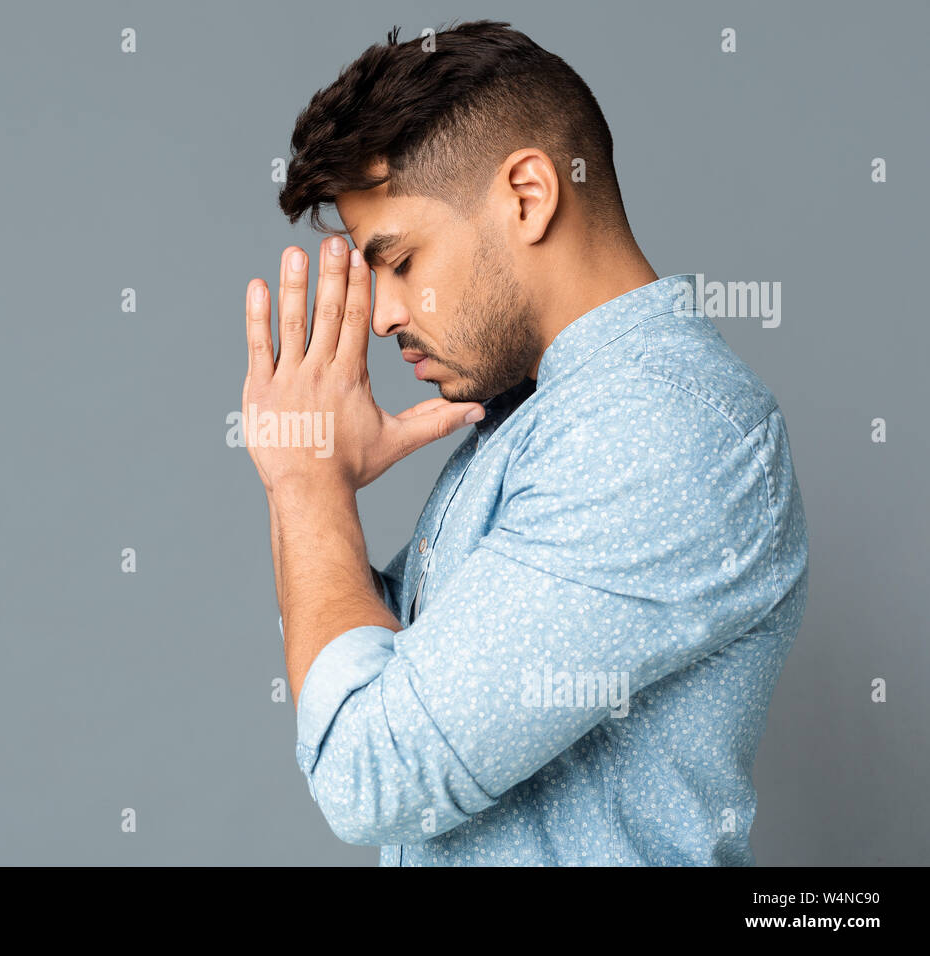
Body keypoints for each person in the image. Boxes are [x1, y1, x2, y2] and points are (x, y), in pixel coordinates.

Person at [240, 19, 808, 865]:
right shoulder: (535, 417)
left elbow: (372, 770)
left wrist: (306, 488)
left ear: (529, 195)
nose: (385, 314)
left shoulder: (657, 430)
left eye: (399, 260)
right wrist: (305, 476)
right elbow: (370, 675)